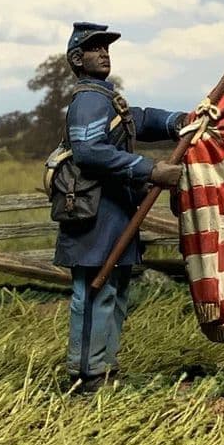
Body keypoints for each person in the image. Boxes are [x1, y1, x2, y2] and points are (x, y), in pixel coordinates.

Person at [55, 22, 186, 394]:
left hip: (113, 210)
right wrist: (151, 169)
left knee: (113, 291)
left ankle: (105, 369)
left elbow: (137, 120)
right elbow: (89, 151)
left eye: (106, 47)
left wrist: (175, 122)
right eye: (95, 48)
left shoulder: (106, 97)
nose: (104, 53)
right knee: (93, 292)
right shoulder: (88, 100)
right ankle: (86, 376)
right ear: (78, 59)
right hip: (92, 212)